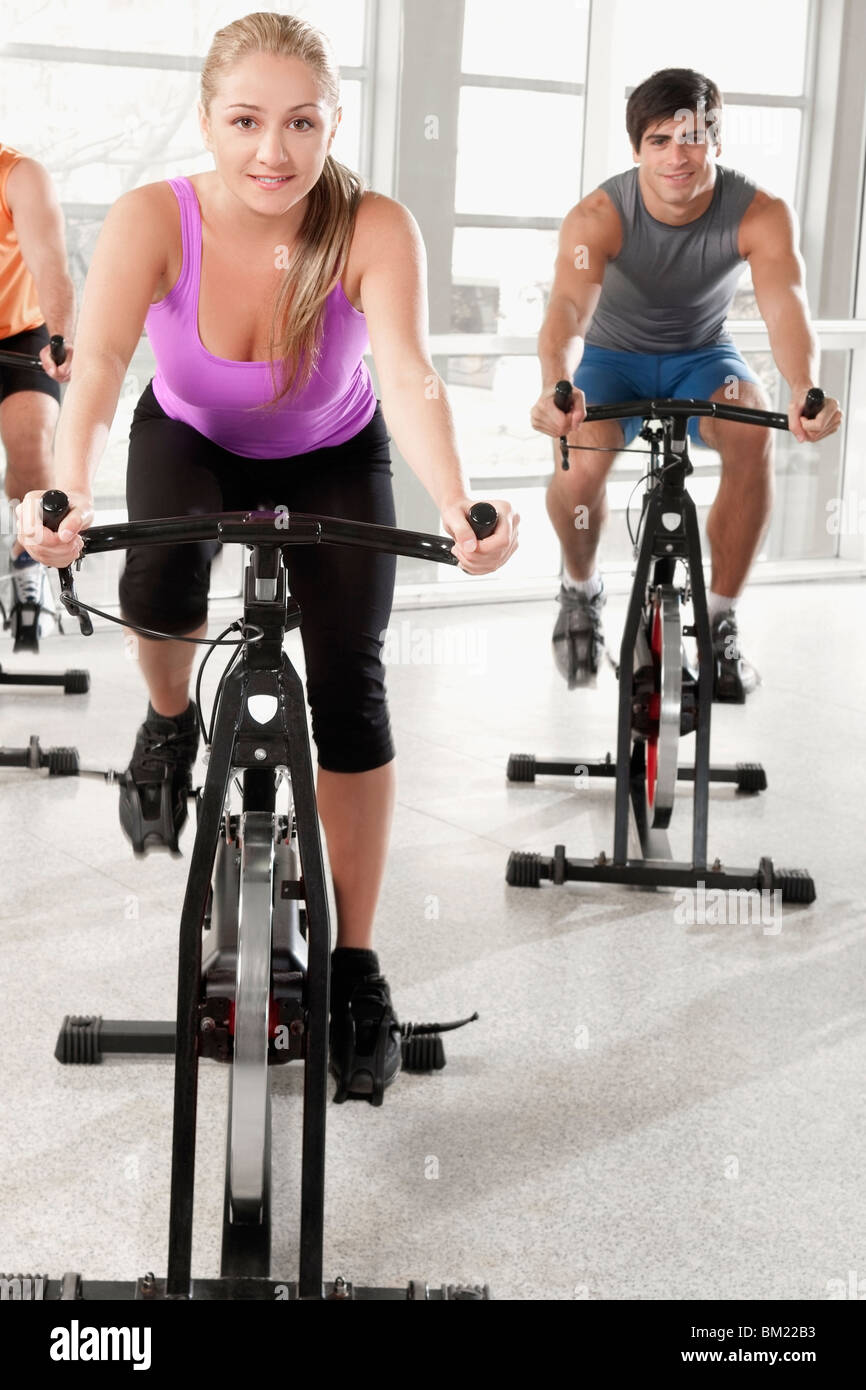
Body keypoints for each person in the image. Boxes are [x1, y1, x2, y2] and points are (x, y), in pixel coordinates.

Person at [17, 11, 518, 1104]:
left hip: (334, 452)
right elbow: (98, 358)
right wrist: (63, 486)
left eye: (301, 123)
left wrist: (461, 498)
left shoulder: (373, 225)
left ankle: (356, 967)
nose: (272, 152)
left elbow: (406, 370)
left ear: (334, 120)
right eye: (245, 121)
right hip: (190, 436)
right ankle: (165, 725)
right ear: (207, 120)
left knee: (351, 686)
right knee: (156, 583)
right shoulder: (161, 214)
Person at [531, 67, 842, 701]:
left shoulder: (760, 213)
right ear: (638, 149)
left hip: (702, 358)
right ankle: (580, 590)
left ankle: (721, 621)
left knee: (754, 432)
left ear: (717, 142)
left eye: (693, 137)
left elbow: (785, 306)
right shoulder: (599, 215)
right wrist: (556, 384)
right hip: (610, 360)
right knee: (579, 463)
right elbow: (567, 309)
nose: (678, 155)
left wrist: (806, 389)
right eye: (659, 140)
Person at [0, 142, 75, 651]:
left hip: (22, 332)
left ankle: (29, 571)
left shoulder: (19, 174)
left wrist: (62, 336)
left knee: (33, 445)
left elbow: (50, 263)